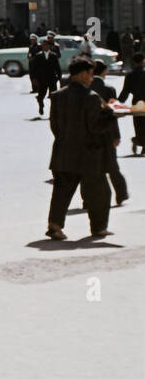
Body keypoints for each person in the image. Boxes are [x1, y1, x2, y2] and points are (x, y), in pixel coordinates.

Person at [46, 57, 117, 240]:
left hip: (63, 151)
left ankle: (54, 226)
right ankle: (99, 228)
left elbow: (54, 126)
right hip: (88, 154)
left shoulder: (57, 95)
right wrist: (110, 116)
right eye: (91, 74)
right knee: (100, 193)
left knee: (61, 192)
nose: (92, 78)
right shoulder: (91, 98)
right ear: (83, 74)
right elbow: (95, 127)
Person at [91, 60, 128, 205]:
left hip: (89, 133)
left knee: (91, 169)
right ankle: (121, 194)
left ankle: (88, 200)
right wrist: (116, 135)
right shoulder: (109, 90)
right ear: (104, 71)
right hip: (107, 132)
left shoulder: (85, 88)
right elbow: (114, 114)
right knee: (112, 167)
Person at [121, 52, 145, 155]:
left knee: (138, 125)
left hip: (136, 104)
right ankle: (142, 144)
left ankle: (137, 140)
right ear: (143, 61)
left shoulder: (130, 76)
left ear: (134, 62)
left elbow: (125, 92)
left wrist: (117, 104)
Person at [33, 39, 62, 117]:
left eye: (46, 45)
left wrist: (59, 77)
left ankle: (53, 112)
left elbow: (57, 67)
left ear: (49, 46)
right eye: (43, 45)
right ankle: (41, 106)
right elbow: (34, 68)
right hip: (42, 79)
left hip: (52, 79)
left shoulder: (53, 55)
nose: (44, 46)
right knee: (40, 96)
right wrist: (35, 78)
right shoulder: (38, 55)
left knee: (54, 96)